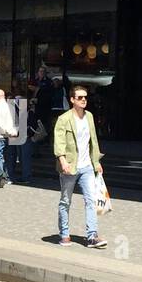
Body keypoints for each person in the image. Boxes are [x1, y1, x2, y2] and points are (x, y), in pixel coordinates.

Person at [54, 84, 107, 248]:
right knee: (65, 201)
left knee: (91, 200)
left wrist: (96, 162)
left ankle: (92, 236)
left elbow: (93, 141)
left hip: (87, 167)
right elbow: (59, 142)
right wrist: (62, 160)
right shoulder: (64, 119)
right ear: (72, 100)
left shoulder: (89, 116)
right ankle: (64, 234)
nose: (84, 100)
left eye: (85, 97)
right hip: (70, 166)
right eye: (80, 97)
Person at [0, 88, 18, 188]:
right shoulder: (8, 106)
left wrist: (6, 131)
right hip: (7, 135)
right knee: (5, 156)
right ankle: (6, 176)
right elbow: (12, 121)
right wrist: (12, 132)